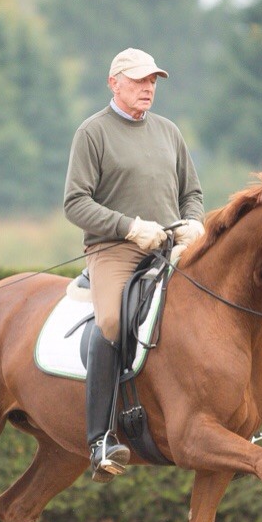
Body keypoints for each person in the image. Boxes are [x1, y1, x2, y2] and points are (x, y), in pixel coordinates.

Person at [64, 47, 205, 482]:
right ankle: (100, 440)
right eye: (140, 81)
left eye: (153, 82)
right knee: (109, 322)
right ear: (114, 83)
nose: (148, 89)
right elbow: (74, 203)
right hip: (115, 251)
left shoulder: (169, 132)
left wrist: (194, 224)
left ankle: (239, 426)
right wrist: (128, 227)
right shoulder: (92, 133)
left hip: (170, 247)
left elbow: (192, 193)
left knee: (216, 311)